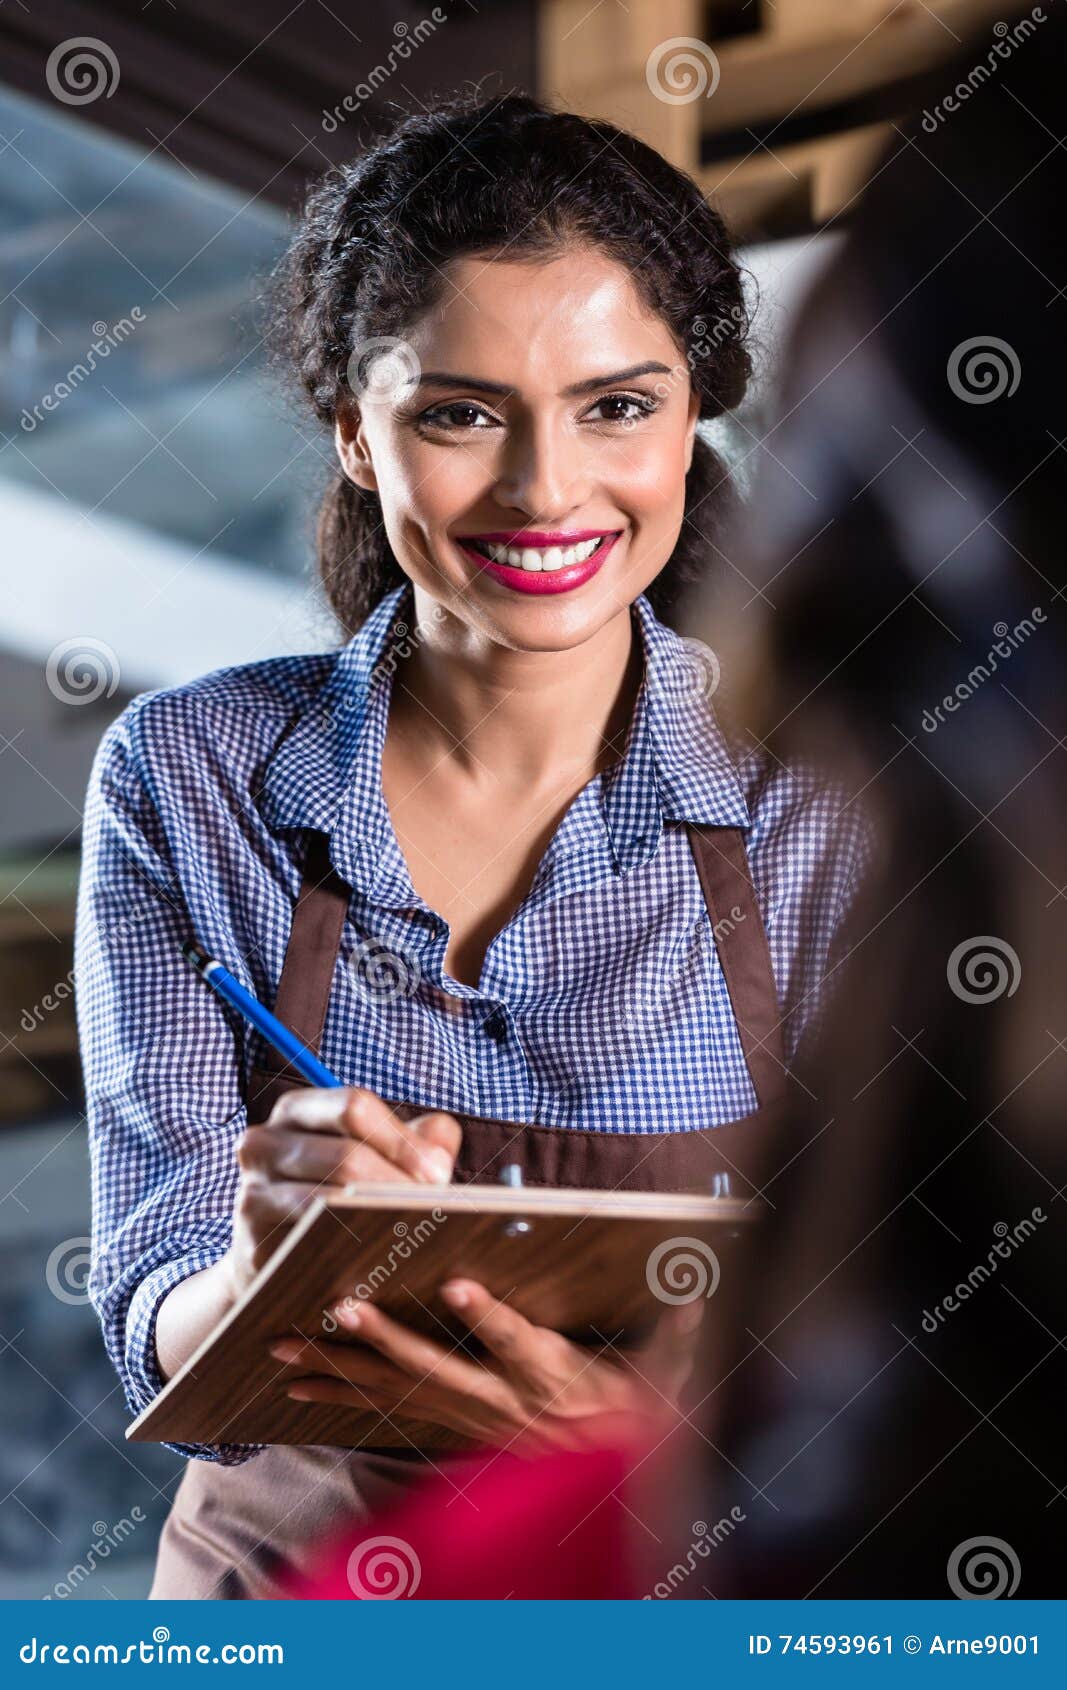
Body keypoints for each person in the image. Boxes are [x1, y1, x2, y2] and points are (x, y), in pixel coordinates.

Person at [75, 91, 868, 1600]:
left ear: (692, 417)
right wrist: (260, 1265)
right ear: (355, 436)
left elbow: (921, 1288)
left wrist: (651, 1435)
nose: (544, 489)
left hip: (686, 1557)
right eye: (457, 413)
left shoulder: (818, 789)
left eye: (616, 407)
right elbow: (149, 1287)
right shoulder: (192, 775)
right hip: (287, 1583)